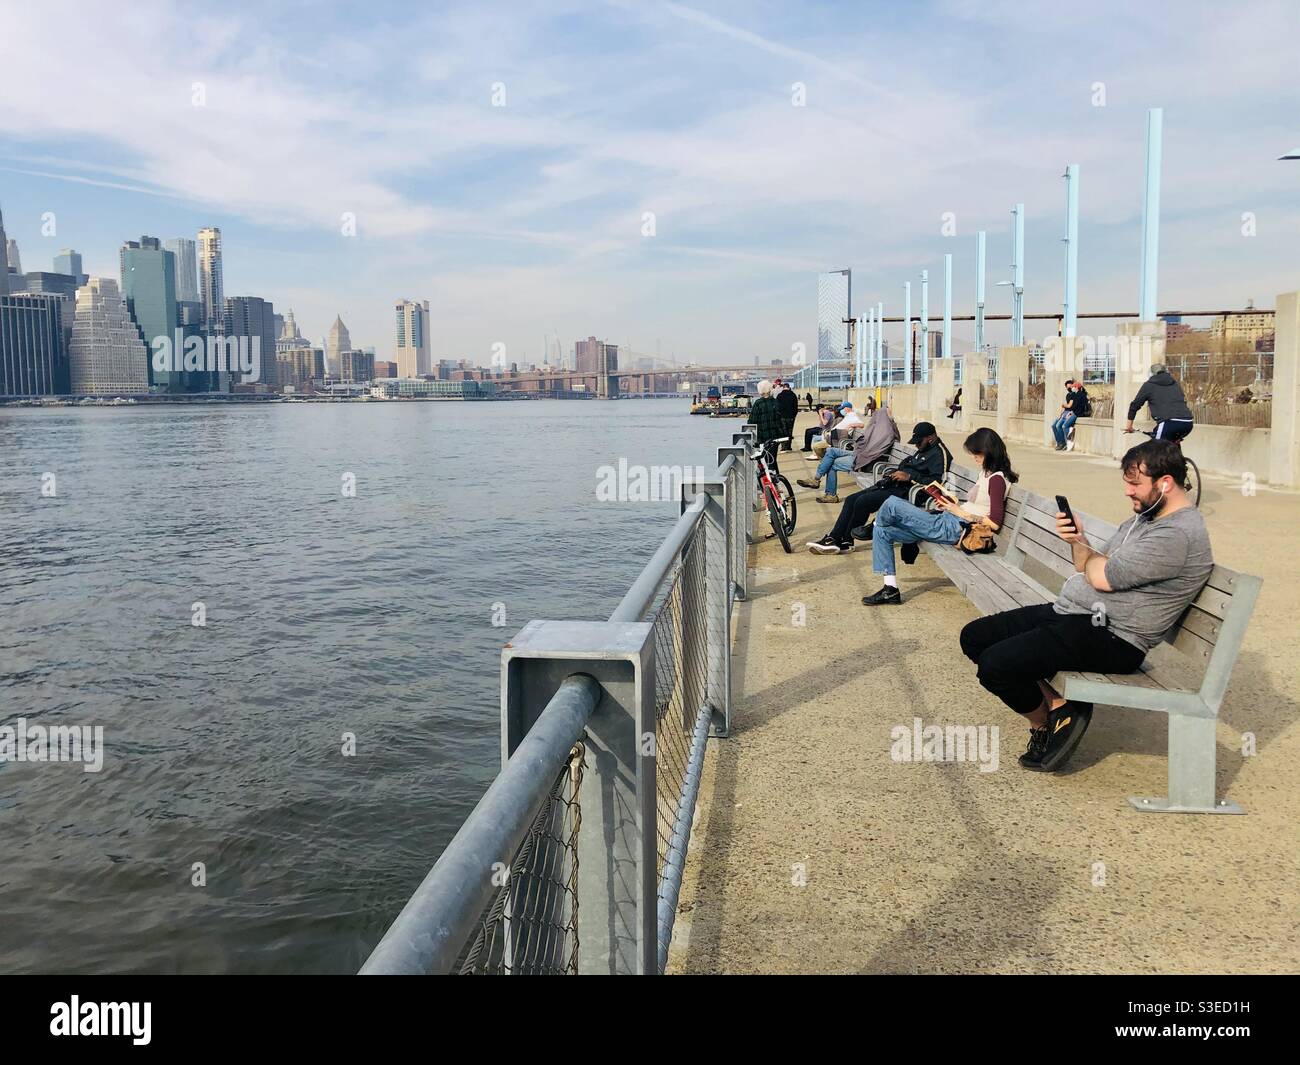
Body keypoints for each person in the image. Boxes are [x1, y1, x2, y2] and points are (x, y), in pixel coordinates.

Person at [958, 438, 1213, 773]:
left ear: (1165, 483)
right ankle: (1060, 705)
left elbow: (1103, 576)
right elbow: (1087, 566)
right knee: (975, 636)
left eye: (1135, 484)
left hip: (1114, 637)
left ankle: (1042, 724)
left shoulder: (1176, 535)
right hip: (1079, 616)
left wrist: (1094, 562)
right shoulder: (1145, 519)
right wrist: (1077, 541)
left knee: (996, 665)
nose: (1128, 492)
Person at [860, 428, 1017, 605]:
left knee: (891, 504)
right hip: (948, 520)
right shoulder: (986, 473)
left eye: (977, 453)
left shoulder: (997, 480)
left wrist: (960, 512)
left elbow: (995, 523)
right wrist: (951, 505)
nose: (974, 456)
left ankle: (874, 528)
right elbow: (978, 506)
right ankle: (890, 590)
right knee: (883, 532)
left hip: (957, 528)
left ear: (989, 451)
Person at [805, 420, 951, 554]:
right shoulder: (925, 448)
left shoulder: (940, 453)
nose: (917, 445)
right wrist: (897, 473)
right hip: (897, 485)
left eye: (919, 442)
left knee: (863, 502)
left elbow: (938, 482)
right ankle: (839, 539)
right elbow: (909, 464)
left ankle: (842, 539)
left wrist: (910, 477)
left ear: (930, 438)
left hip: (912, 493)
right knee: (851, 499)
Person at [1126, 362, 1194, 442]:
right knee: (1170, 448)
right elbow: (1181, 399)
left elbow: (1134, 405)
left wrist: (1129, 426)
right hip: (1187, 423)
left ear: (1151, 374)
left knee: (1155, 450)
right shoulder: (1175, 384)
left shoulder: (1149, 385)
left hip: (1169, 423)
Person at [746, 378, 786, 471]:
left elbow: (752, 421)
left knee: (766, 460)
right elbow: (780, 419)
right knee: (773, 459)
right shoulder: (775, 402)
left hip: (762, 437)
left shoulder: (758, 403)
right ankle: (775, 479)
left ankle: (769, 481)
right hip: (775, 436)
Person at [1052, 380, 1085, 450]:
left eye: (1072, 387)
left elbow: (1071, 406)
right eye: (1069, 387)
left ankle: (1066, 443)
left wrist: (1067, 408)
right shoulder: (1072, 395)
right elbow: (1072, 406)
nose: (1071, 388)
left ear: (1076, 387)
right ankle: (1060, 442)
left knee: (1062, 426)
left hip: (1074, 413)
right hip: (1069, 413)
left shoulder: (1078, 395)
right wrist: (1062, 413)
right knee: (1054, 425)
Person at [775, 378, 799, 450]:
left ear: (783, 387)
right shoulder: (793, 395)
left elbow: (777, 407)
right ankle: (789, 446)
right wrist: (794, 415)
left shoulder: (779, 396)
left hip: (782, 416)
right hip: (791, 416)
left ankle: (783, 447)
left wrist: (778, 415)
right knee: (790, 431)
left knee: (783, 431)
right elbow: (796, 407)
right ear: (789, 387)